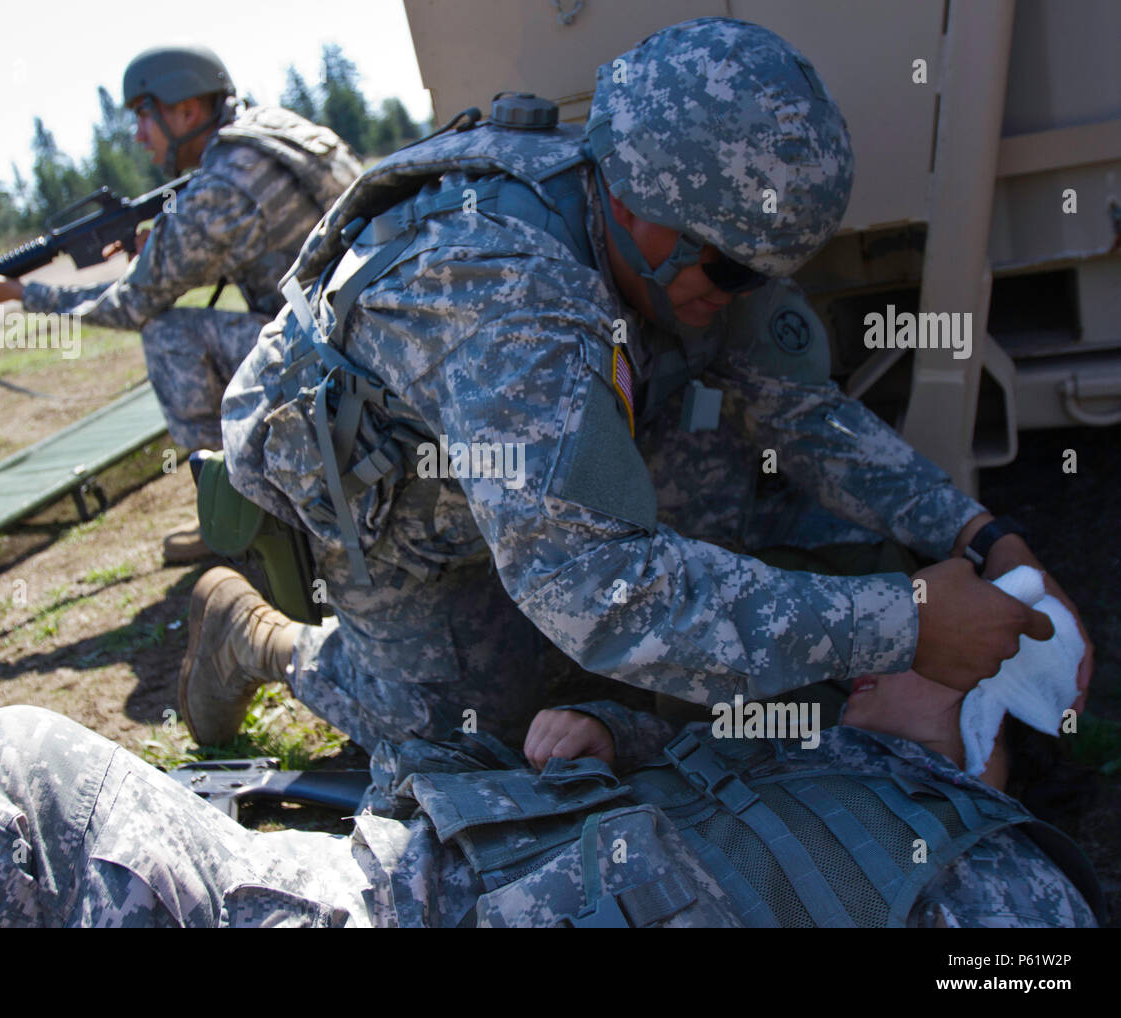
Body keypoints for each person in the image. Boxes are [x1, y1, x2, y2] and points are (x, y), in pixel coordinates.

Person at [180, 17, 1091, 749]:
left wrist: (978, 532)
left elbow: (805, 416)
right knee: (461, 738)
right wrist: (901, 623)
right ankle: (255, 637)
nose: (741, 292)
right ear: (629, 201)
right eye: (731, 270)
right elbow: (595, 585)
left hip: (516, 449)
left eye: (764, 270)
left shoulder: (689, 227)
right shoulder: (506, 291)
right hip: (382, 500)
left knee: (717, 535)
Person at [0, 660, 1104, 928]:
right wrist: (597, 759)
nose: (877, 661)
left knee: (2, 764)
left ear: (987, 723)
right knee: (10, 764)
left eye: (923, 658)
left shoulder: (1005, 879)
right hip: (369, 881)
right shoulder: (817, 751)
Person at [0, 45, 361, 561]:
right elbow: (277, 241)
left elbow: (130, 305)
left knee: (167, 331)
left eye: (142, 116)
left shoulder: (215, 187)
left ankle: (239, 509)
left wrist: (19, 293)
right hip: (365, 324)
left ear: (186, 110)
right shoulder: (274, 132)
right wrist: (164, 244)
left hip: (333, 355)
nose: (137, 136)